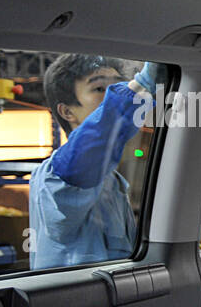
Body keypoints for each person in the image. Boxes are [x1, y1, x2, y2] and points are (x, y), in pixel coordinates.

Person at [29, 55, 158, 270]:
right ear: (67, 111)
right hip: (79, 301)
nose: (114, 95)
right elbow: (89, 148)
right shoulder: (55, 177)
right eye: (100, 89)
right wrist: (140, 87)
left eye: (119, 85)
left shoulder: (113, 181)